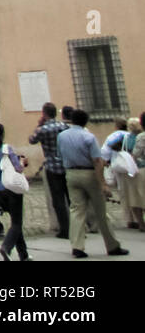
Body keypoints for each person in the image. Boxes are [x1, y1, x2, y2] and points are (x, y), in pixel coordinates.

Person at [57, 108, 129, 258]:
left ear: (72, 120)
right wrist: (103, 183)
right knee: (100, 211)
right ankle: (112, 245)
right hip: (89, 173)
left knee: (76, 210)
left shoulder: (62, 136)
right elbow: (97, 161)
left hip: (71, 173)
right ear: (85, 122)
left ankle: (77, 246)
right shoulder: (89, 137)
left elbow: (60, 154)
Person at [0, 122, 29, 261]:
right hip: (12, 188)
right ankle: (6, 247)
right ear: (3, 133)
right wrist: (23, 163)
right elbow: (18, 168)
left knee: (15, 222)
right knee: (17, 223)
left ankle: (23, 254)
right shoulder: (6, 148)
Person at [29, 100, 71, 239]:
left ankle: (65, 229)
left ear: (44, 114)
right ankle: (77, 226)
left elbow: (32, 140)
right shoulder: (64, 126)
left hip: (52, 166)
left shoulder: (43, 129)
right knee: (70, 198)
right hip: (66, 164)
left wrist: (39, 124)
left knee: (58, 200)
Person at [129, 118, 145, 232]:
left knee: (138, 196)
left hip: (141, 168)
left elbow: (136, 153)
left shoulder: (141, 137)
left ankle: (142, 224)